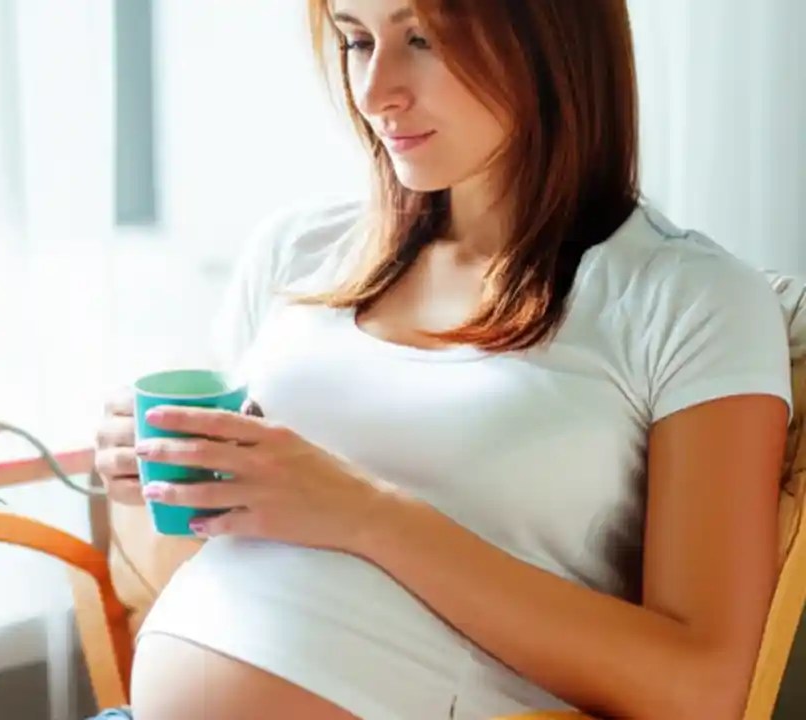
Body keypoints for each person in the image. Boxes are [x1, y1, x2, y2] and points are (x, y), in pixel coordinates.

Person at [89, 0, 792, 718]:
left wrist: (365, 513)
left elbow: (702, 691)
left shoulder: (693, 302)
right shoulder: (298, 252)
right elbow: (209, 583)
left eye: (421, 38)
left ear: (550, 34)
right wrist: (165, 484)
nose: (373, 91)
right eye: (357, 40)